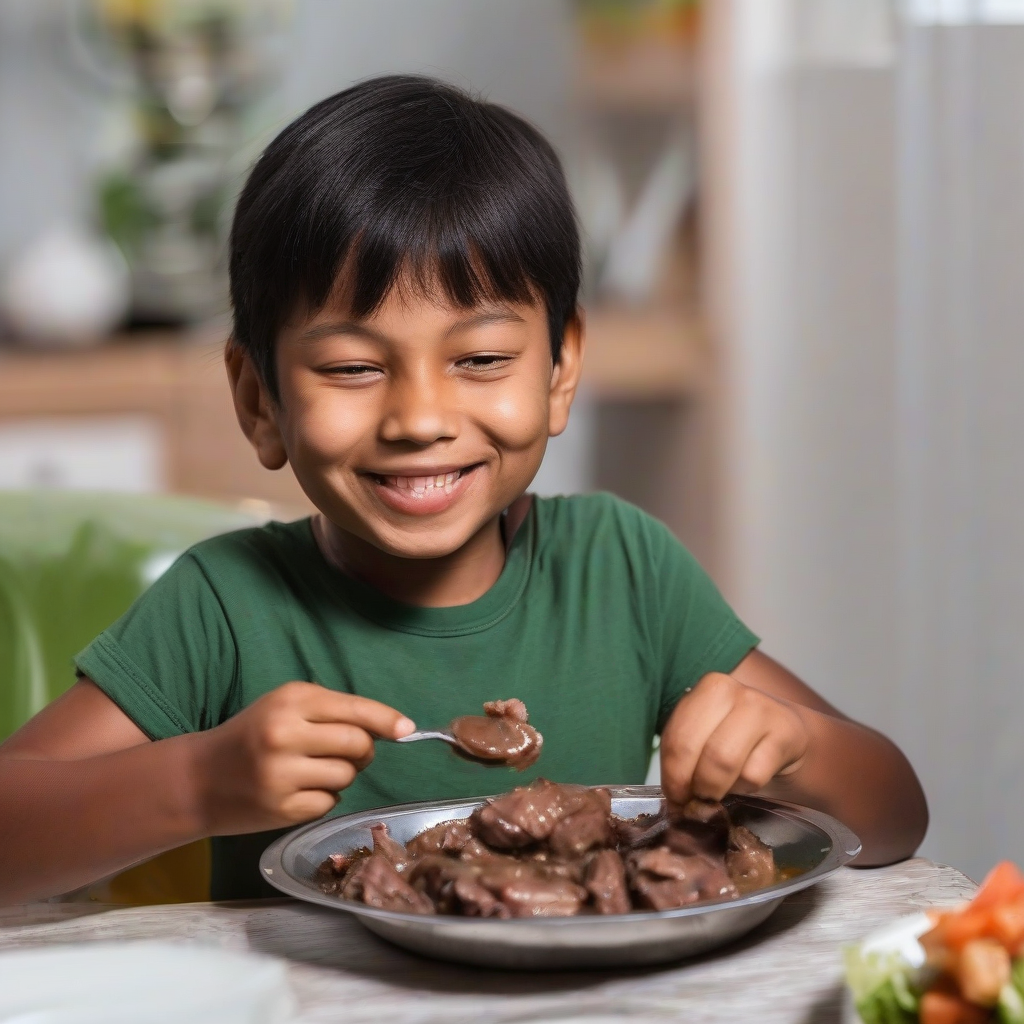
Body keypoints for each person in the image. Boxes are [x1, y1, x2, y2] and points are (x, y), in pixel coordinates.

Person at [0, 75, 927, 905]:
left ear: (560, 370)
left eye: (481, 359)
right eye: (354, 368)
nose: (420, 417)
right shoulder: (223, 607)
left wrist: (795, 748)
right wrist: (199, 784)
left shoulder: (622, 570)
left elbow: (896, 815)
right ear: (260, 400)